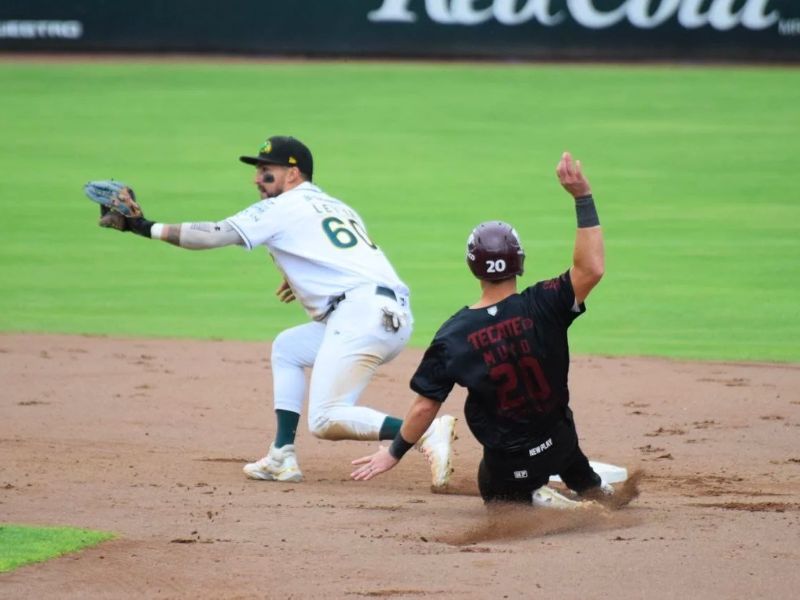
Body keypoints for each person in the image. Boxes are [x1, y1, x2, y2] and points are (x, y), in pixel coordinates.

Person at [99, 135, 456, 487]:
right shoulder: (335, 206)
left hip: (360, 314)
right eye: (257, 171)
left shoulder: (282, 206)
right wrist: (300, 277)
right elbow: (339, 255)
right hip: (387, 316)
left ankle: (423, 431)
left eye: (266, 170)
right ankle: (282, 454)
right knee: (288, 348)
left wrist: (141, 226)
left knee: (325, 419)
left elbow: (211, 234)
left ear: (293, 173)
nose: (257, 178)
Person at [352, 151, 611, 508]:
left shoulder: (453, 335)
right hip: (560, 441)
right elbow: (591, 269)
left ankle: (539, 500)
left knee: (494, 490)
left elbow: (425, 407)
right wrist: (582, 197)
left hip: (511, 465)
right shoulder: (545, 303)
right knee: (562, 444)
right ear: (519, 262)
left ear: (472, 267)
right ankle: (590, 487)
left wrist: (393, 453)